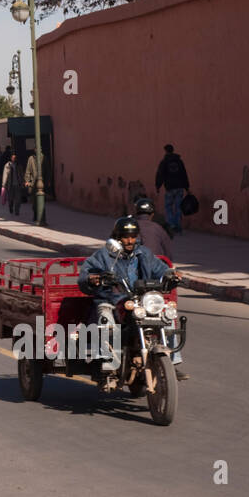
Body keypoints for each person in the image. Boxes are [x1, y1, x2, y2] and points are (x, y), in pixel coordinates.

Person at [79, 217, 186, 380]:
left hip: (141, 301)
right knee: (106, 322)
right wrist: (93, 278)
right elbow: (86, 274)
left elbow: (161, 269)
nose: (130, 241)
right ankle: (110, 364)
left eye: (133, 236)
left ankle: (171, 363)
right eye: (125, 236)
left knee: (167, 317)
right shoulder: (104, 255)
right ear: (117, 237)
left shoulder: (144, 253)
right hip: (111, 301)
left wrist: (171, 275)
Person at [155, 144, 190, 234]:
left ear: (166, 151)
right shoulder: (179, 161)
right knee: (178, 207)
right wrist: (187, 187)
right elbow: (184, 174)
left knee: (168, 206)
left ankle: (171, 225)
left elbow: (160, 174)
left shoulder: (164, 162)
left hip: (170, 188)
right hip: (179, 187)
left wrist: (158, 186)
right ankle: (178, 225)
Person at [132, 196, 173, 261]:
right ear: (152, 214)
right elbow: (167, 248)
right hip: (155, 263)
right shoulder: (158, 227)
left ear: (136, 213)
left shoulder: (131, 226)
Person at [23, 150, 40, 221]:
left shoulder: (43, 157)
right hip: (33, 184)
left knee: (41, 201)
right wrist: (27, 181)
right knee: (34, 202)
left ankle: (40, 216)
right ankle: (36, 215)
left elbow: (47, 169)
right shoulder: (31, 159)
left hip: (41, 183)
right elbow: (28, 171)